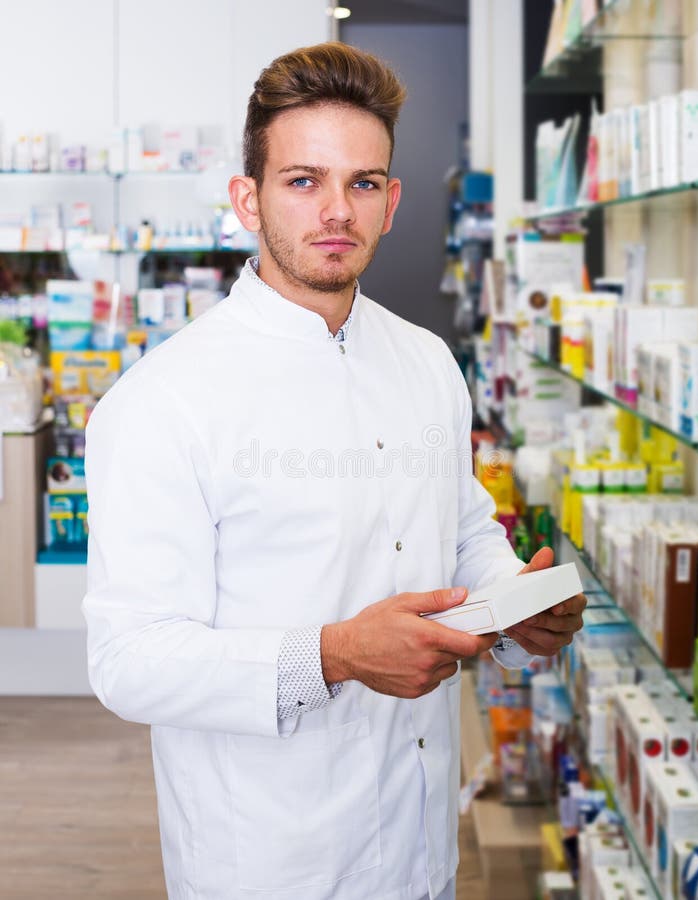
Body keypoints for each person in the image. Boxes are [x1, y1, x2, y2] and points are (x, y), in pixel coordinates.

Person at [83, 42, 585, 900]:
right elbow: (129, 661)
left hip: (421, 836)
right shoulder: (164, 400)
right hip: (270, 853)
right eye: (303, 180)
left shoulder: (426, 361)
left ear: (390, 203)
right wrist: (337, 655)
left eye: (361, 183)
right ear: (247, 197)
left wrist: (513, 606)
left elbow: (460, 527)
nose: (335, 212)